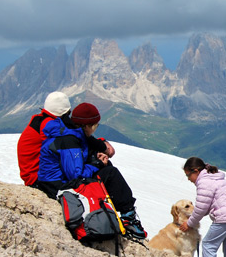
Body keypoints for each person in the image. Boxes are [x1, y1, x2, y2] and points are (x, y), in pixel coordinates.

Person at [38, 102, 147, 239]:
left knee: (107, 168)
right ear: (87, 126)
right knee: (110, 173)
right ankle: (129, 217)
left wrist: (95, 159)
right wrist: (96, 164)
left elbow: (73, 163)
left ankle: (124, 215)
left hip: (54, 181)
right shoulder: (69, 140)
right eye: (95, 126)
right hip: (56, 186)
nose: (95, 129)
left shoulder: (69, 132)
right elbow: (75, 175)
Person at [17, 91, 115, 189]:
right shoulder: (50, 125)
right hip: (38, 178)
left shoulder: (41, 120)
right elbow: (74, 137)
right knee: (101, 167)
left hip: (36, 174)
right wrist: (101, 145)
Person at [180, 156, 226, 257]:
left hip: (224, 216)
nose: (189, 179)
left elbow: (201, 207)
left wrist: (189, 223)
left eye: (188, 175)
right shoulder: (215, 177)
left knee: (208, 244)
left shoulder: (204, 182)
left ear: (196, 171)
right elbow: (206, 206)